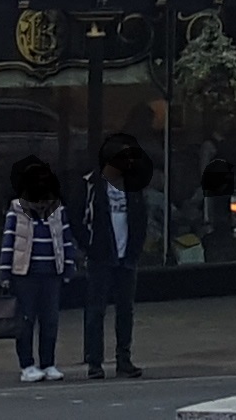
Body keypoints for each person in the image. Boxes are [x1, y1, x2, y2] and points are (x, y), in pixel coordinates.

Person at [0, 157, 82, 384]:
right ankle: (27, 365)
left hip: (51, 274)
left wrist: (68, 267)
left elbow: (66, 241)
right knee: (25, 321)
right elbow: (9, 242)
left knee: (50, 320)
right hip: (25, 274)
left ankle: (49, 363)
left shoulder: (57, 210)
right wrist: (5, 273)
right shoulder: (16, 210)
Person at [76, 136, 149, 381]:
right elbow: (78, 219)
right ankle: (95, 362)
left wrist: (135, 250)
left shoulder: (133, 187)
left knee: (125, 310)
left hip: (126, 256)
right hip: (101, 257)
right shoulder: (91, 186)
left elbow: (141, 219)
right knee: (96, 310)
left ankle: (123, 359)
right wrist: (90, 247)